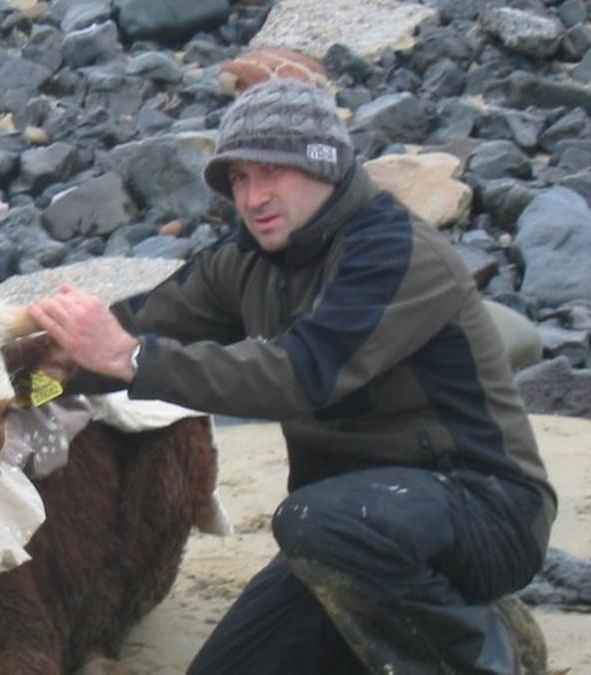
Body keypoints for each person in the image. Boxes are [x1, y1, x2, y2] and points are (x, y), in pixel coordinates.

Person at [28, 78, 556, 675]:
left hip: (483, 508)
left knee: (316, 519)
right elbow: (126, 334)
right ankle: (439, 622)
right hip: (342, 537)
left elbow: (301, 375)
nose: (253, 197)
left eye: (270, 172)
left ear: (325, 165)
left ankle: (488, 656)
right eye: (240, 179)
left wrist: (133, 359)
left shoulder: (397, 254)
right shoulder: (248, 259)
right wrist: (26, 384)